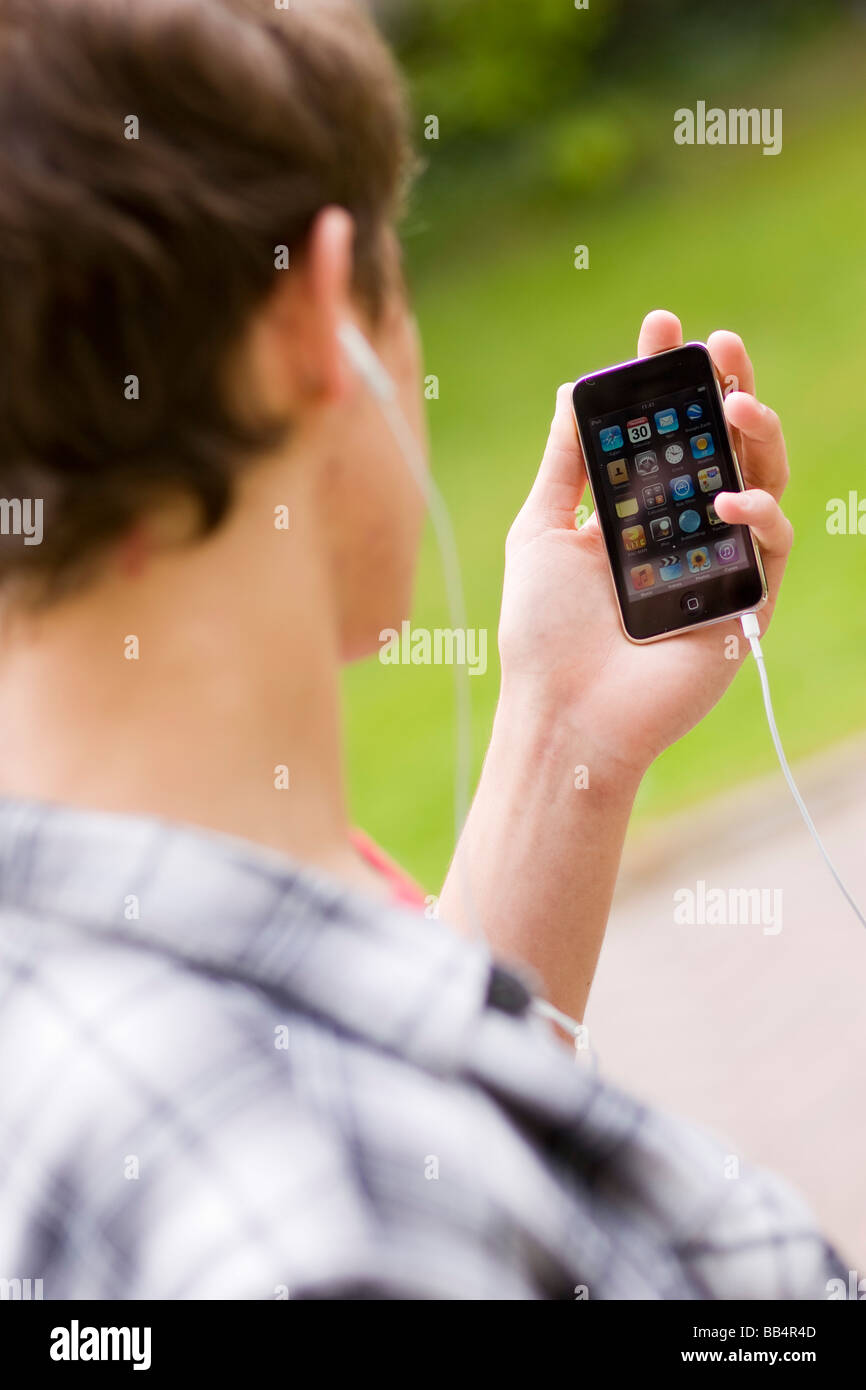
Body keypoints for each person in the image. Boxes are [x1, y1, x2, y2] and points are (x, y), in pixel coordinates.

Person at [0, 0, 843, 1299]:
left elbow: (397, 1084)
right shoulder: (331, 1214)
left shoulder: (117, 948)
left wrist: (565, 736)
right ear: (315, 322)